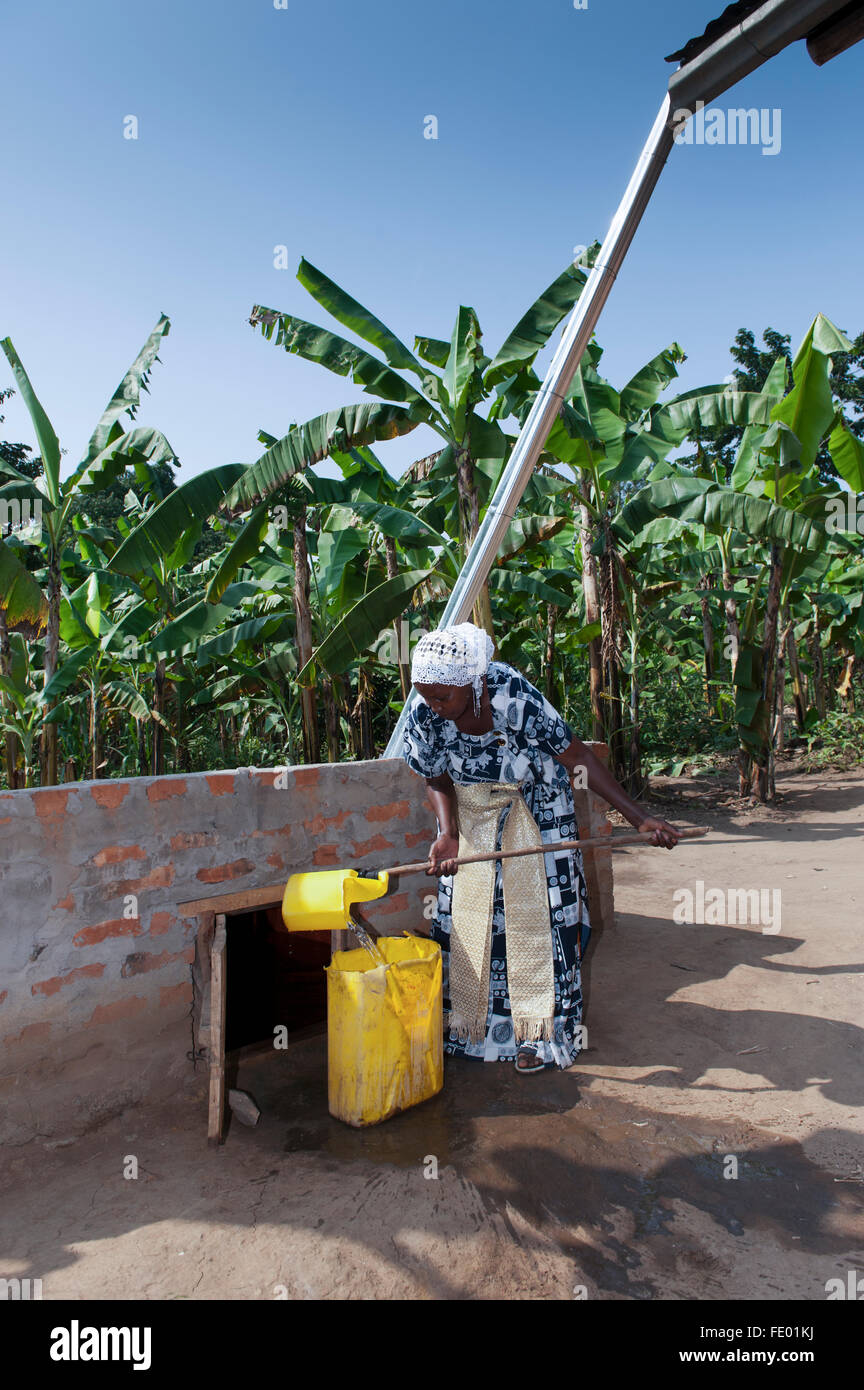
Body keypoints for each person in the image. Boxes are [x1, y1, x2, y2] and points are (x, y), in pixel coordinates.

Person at [401, 622, 679, 1073]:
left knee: (542, 921)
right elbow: (434, 776)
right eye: (425, 695)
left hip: (538, 813)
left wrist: (638, 817)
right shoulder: (425, 709)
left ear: (474, 682)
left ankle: (540, 1035)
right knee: (474, 923)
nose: (432, 706)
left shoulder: (513, 696)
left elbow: (580, 759)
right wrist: (447, 833)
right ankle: (474, 1030)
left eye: (442, 698)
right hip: (472, 820)